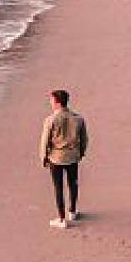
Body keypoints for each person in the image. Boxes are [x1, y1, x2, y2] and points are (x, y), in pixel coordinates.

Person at [39, 88, 88, 227]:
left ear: (57, 102)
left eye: (52, 100)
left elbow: (45, 141)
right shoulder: (78, 119)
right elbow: (84, 139)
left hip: (56, 157)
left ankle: (61, 219)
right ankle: (72, 211)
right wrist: (81, 152)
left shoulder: (50, 120)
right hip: (72, 156)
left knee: (58, 187)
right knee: (73, 184)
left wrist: (43, 157)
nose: (50, 103)